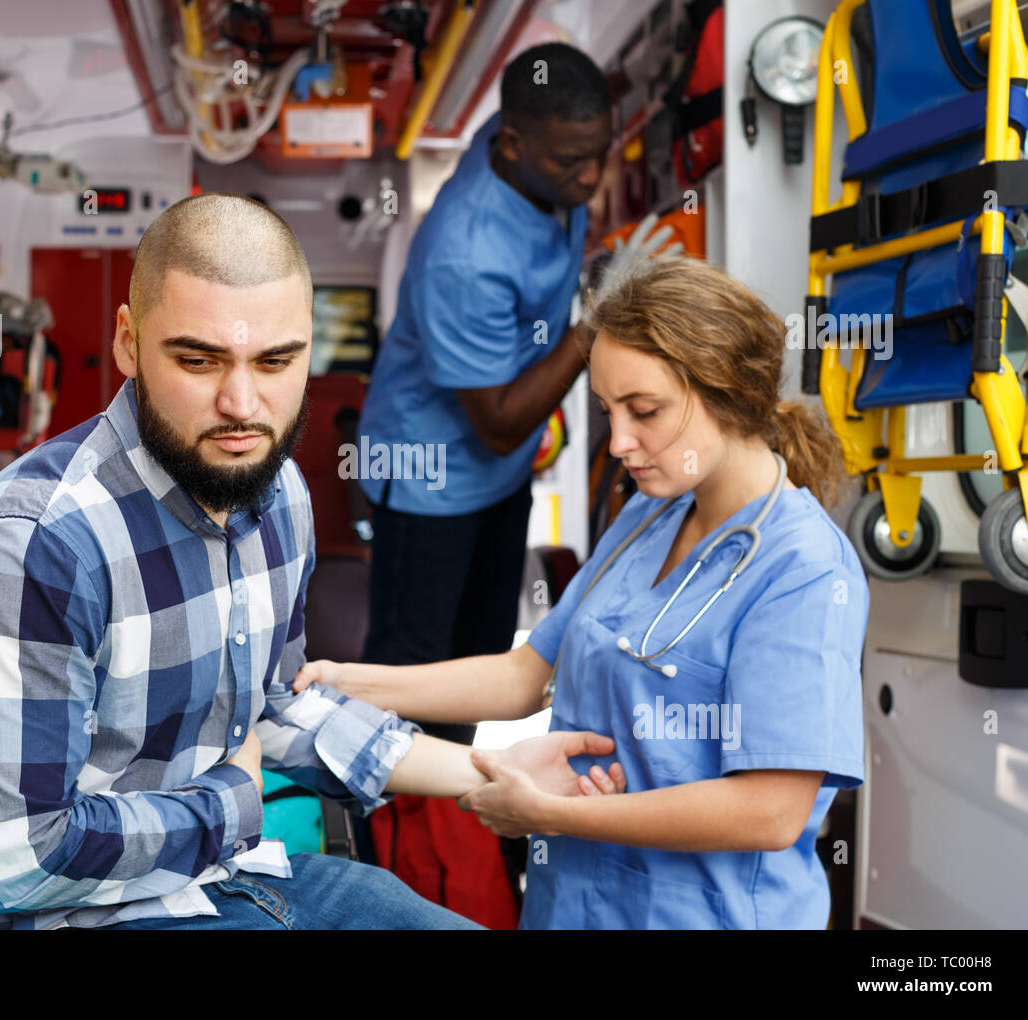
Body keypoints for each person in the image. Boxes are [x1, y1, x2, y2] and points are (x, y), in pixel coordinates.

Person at [0, 192, 616, 930]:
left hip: (217, 878)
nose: (242, 405)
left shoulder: (281, 498)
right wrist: (228, 806)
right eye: (199, 359)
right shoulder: (30, 542)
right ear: (126, 342)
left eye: (276, 360)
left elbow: (274, 702)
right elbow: (11, 865)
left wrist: (490, 776)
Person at [296, 254, 868, 929]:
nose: (619, 441)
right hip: (575, 905)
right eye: (606, 409)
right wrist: (341, 682)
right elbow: (523, 676)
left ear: (726, 392)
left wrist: (553, 814)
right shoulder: (649, 515)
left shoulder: (803, 569)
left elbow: (770, 812)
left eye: (644, 411)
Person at [352, 41, 678, 922]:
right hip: (428, 477)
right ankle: (393, 864)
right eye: (572, 161)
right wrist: (594, 316)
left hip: (495, 477)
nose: (590, 176)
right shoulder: (467, 244)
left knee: (486, 652)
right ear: (508, 147)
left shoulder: (547, 156)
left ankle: (452, 842)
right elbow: (496, 416)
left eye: (599, 153)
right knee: (415, 673)